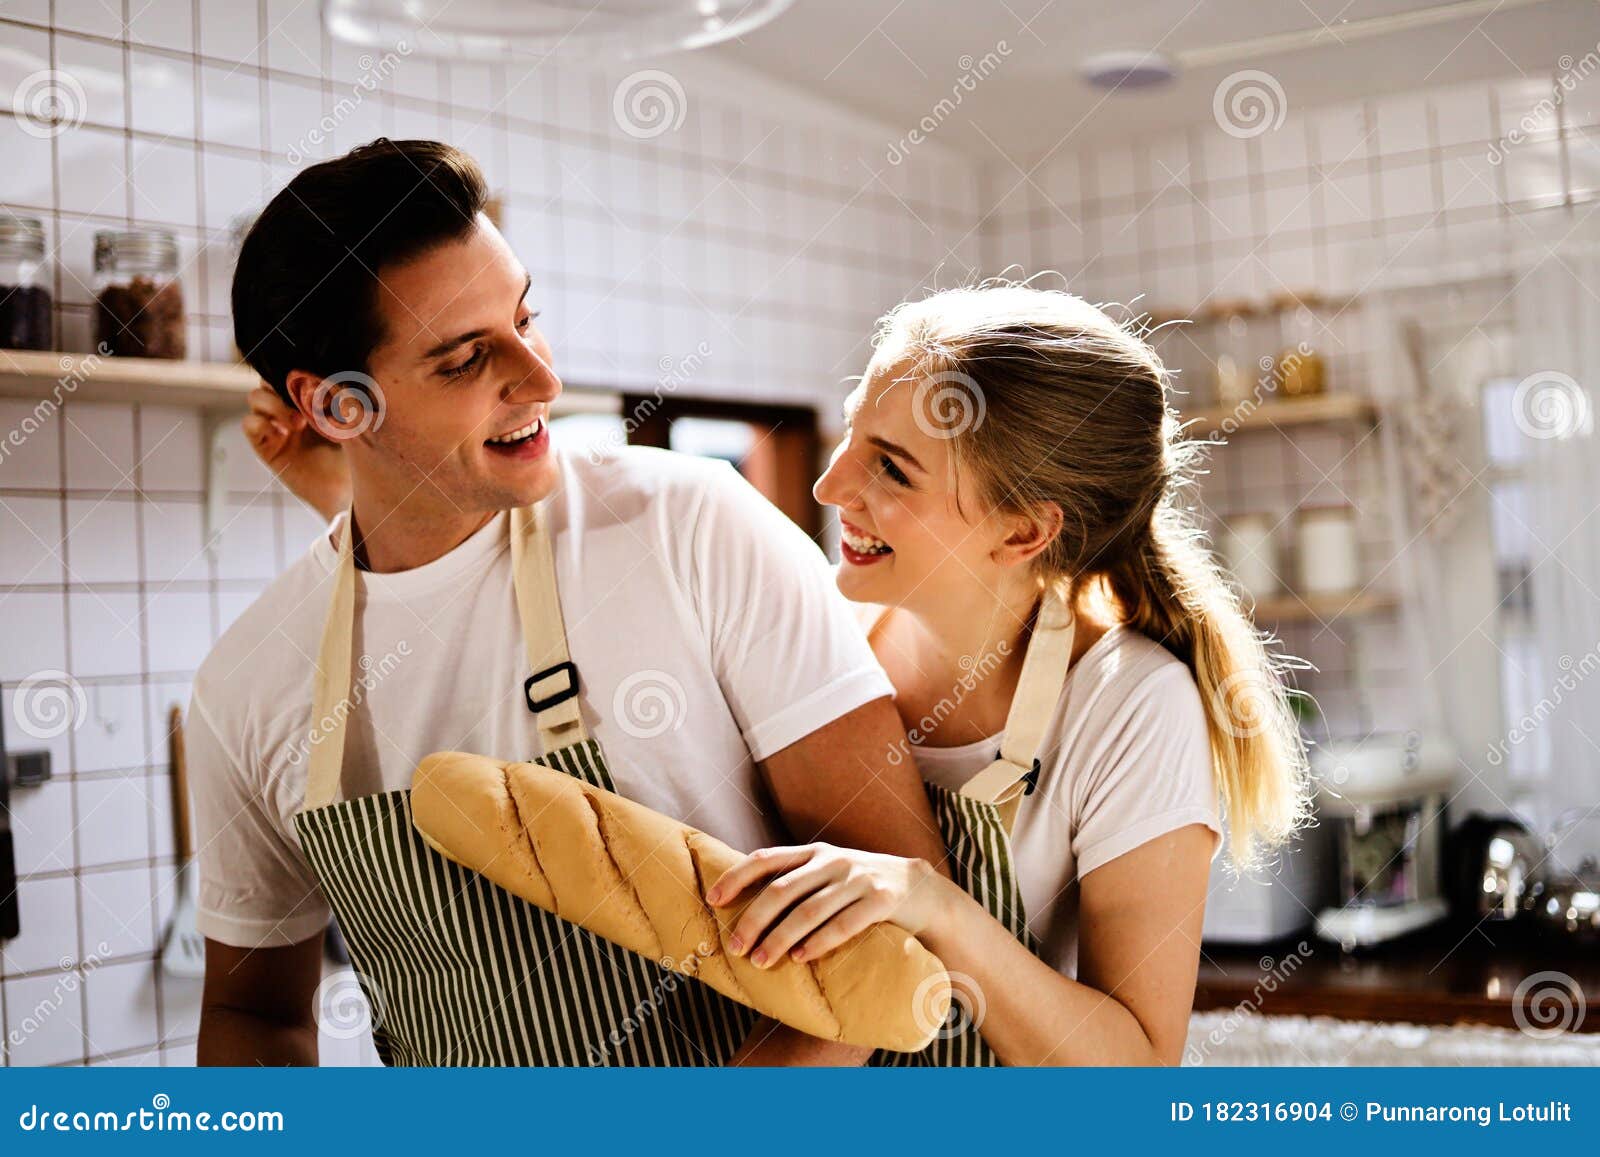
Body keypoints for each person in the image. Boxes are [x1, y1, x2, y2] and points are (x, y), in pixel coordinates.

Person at [190, 138, 951, 1068]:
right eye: (466, 359)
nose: (542, 378)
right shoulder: (249, 680)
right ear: (337, 407)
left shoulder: (689, 528)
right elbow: (254, 1015)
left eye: (525, 318)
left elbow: (897, 910)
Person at [705, 285, 1312, 1065]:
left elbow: (1135, 1072)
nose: (830, 487)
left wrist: (936, 906)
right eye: (853, 433)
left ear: (1023, 531)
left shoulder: (1129, 702)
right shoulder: (806, 635)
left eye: (890, 469)